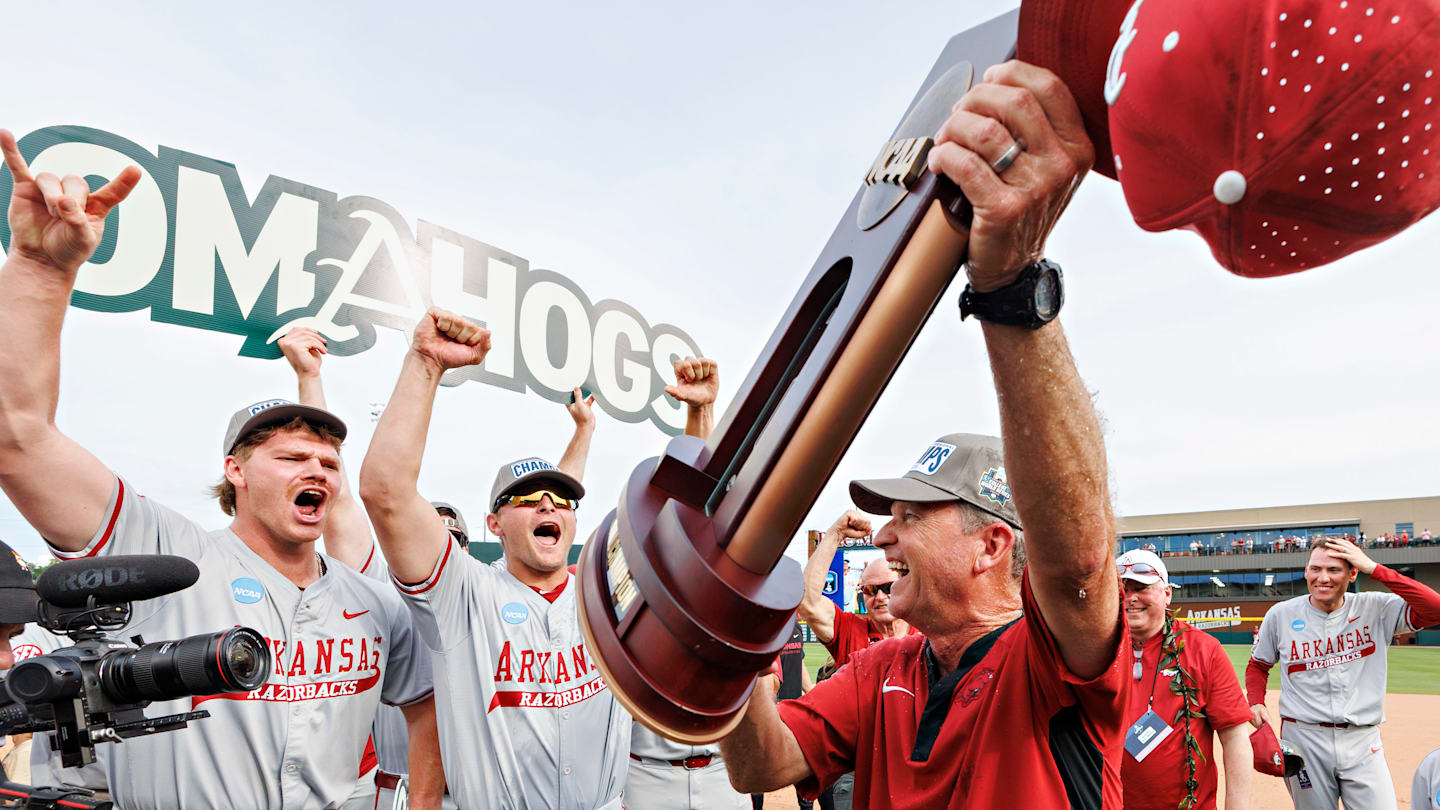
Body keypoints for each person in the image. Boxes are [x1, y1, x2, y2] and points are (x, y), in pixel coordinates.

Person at [716, 60, 1128, 808]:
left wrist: (1009, 287)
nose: (883, 537)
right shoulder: (884, 669)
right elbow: (759, 767)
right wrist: (731, 655)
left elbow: (1081, 561)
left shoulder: (1049, 659)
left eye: (911, 517)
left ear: (991, 544)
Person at [0, 131, 442, 810]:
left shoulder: (372, 602)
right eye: (292, 456)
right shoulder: (167, 555)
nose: (317, 467)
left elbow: (424, 707)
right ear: (234, 470)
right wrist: (39, 269)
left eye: (328, 458)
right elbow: (17, 438)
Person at [358, 308, 633, 810]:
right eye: (526, 499)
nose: (548, 506)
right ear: (493, 524)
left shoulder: (597, 592)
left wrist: (584, 432)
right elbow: (386, 492)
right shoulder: (465, 594)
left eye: (560, 500)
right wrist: (425, 363)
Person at [275, 327, 448, 810]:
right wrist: (310, 378)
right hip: (396, 787)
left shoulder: (487, 597)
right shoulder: (376, 590)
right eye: (432, 530)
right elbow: (341, 499)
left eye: (452, 540)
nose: (441, 547)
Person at [626, 357, 755, 810]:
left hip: (722, 774)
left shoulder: (705, 579)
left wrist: (700, 415)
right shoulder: (630, 580)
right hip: (645, 773)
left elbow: (703, 514)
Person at [1246, 537, 1440, 809]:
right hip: (1304, 738)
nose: (1322, 578)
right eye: (1315, 568)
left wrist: (1375, 569)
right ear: (1306, 571)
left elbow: (1435, 609)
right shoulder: (1281, 614)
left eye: (1333, 570)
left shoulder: (1376, 607)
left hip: (1362, 739)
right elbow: (1258, 665)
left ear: (1353, 573)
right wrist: (1255, 700)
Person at [1115, 549, 1252, 810]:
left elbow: (1234, 737)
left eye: (1141, 588)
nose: (1130, 597)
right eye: (1122, 588)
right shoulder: (1092, 650)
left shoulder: (1204, 650)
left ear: (1166, 594)